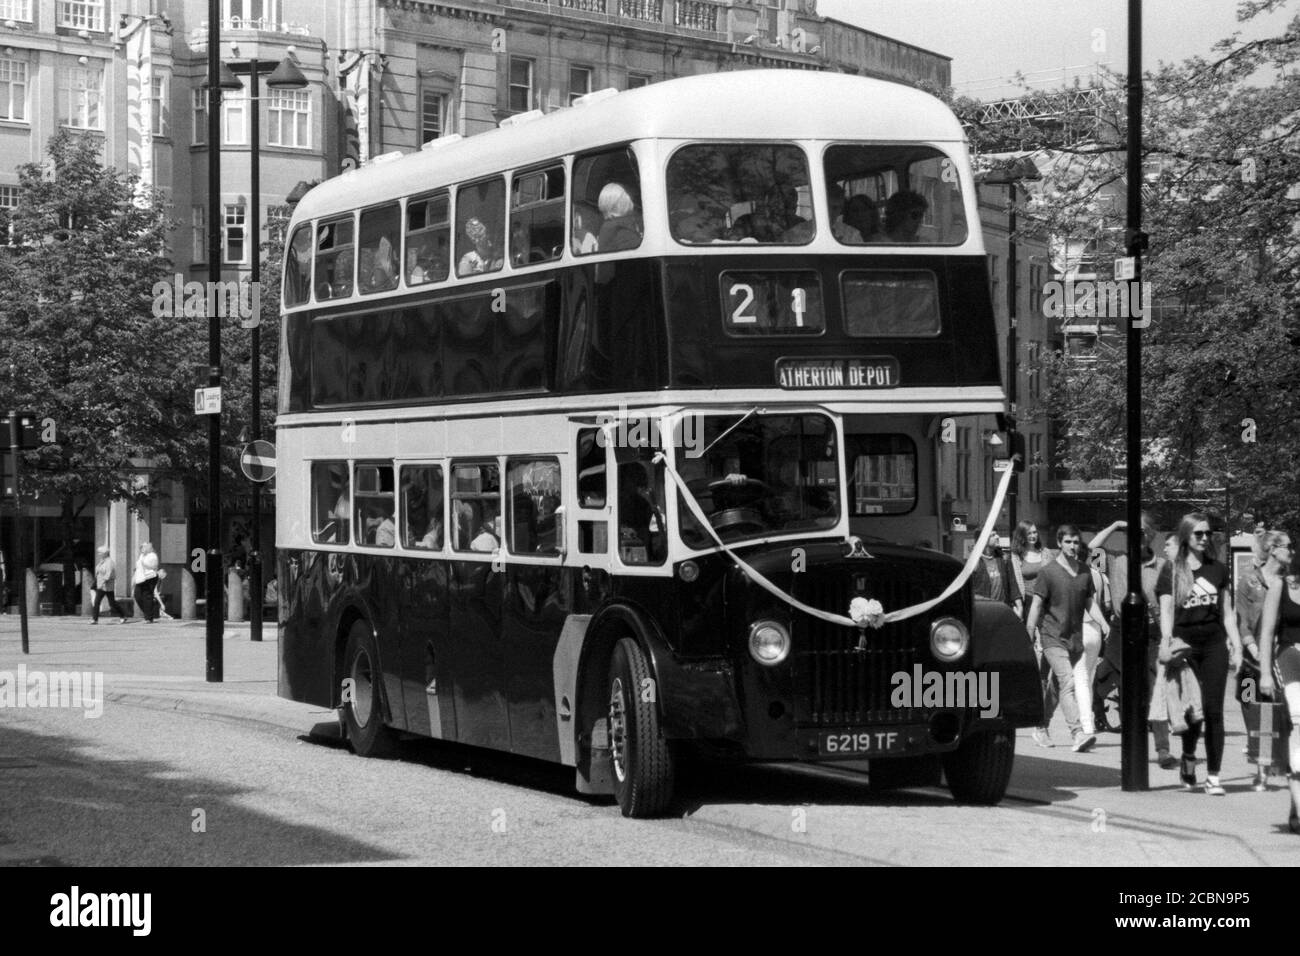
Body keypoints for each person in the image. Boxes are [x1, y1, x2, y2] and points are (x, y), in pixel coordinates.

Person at [1156, 512, 1244, 795]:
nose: (1205, 538)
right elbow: (1166, 610)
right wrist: (1167, 641)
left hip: (1214, 643)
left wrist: (1237, 646)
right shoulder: (1172, 570)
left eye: (1208, 533)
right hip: (1185, 646)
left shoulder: (1218, 569)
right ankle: (1189, 756)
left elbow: (1228, 614)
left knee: (1214, 709)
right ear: (1186, 537)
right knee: (1192, 711)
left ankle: (1214, 776)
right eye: (1199, 534)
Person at [1024, 524, 1104, 753]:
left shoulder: (1084, 572)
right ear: (1059, 543)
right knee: (1068, 680)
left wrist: (1103, 623)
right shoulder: (1048, 572)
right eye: (1068, 542)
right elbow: (1037, 605)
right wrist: (1029, 632)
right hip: (1051, 636)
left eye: (1076, 542)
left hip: (1074, 638)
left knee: (1057, 687)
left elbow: (1089, 603)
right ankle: (1077, 733)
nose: (1072, 546)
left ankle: (1041, 727)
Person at [1109, 513, 1177, 769]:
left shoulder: (1162, 566)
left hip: (1155, 636)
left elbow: (1168, 605)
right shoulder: (1121, 564)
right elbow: (1119, 606)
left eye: (1141, 532)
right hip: (1127, 636)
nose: (1135, 538)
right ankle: (1132, 748)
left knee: (1156, 690)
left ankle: (1162, 750)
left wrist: (1166, 634)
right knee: (1130, 691)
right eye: (1131, 533)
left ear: (1151, 535)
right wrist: (1151, 607)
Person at [1256, 532, 1300, 833]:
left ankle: (1295, 806)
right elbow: (1267, 632)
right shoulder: (1279, 586)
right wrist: (1264, 673)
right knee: (1299, 724)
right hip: (1289, 658)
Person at [1236, 526, 1286, 786]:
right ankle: (1257, 754)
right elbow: (1241, 619)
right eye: (1286, 545)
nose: (1292, 551)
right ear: (1272, 549)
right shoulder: (1249, 581)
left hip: (1277, 655)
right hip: (1248, 659)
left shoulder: (1288, 583)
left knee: (1268, 710)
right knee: (1249, 705)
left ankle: (1263, 771)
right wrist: (1251, 647)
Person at [1011, 521, 1053, 746]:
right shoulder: (1016, 556)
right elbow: (1015, 583)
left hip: (1045, 605)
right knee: (1027, 652)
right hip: (1027, 605)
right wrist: (1017, 605)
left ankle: (1042, 682)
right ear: (1022, 536)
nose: (1034, 536)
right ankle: (1027, 691)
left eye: (1036, 532)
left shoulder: (1046, 553)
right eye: (1030, 533)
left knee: (1047, 649)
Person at [971, 535, 1022, 615]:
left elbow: (1013, 585)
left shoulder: (1004, 559)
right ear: (984, 538)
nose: (998, 536)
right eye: (993, 535)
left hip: (1003, 611)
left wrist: (1020, 607)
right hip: (984, 613)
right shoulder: (974, 563)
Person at [596, 183, 642, 252]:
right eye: (627, 194)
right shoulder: (620, 231)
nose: (631, 198)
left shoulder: (609, 228)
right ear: (620, 203)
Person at [90, 546, 127, 625]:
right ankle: (94, 619)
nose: (99, 554)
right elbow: (98, 572)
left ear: (105, 553)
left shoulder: (109, 562)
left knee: (112, 603)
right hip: (101, 585)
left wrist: (103, 581)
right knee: (97, 602)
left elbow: (109, 574)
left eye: (100, 553)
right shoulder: (102, 561)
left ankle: (123, 616)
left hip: (107, 586)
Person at [132, 542, 159, 624]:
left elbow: (153, 566)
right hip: (141, 579)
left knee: (147, 596)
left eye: (143, 547)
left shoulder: (152, 555)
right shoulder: (141, 556)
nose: (141, 549)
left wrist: (143, 562)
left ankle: (149, 617)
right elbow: (138, 568)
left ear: (148, 548)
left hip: (150, 577)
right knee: (137, 595)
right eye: (141, 548)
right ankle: (149, 612)